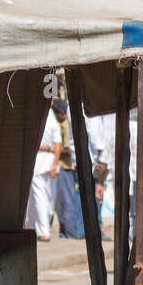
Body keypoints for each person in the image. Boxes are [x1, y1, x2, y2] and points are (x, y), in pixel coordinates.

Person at [50, 99, 84, 239]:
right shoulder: (62, 124)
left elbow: (68, 150)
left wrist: (52, 149)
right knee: (61, 203)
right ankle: (65, 233)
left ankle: (70, 233)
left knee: (67, 203)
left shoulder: (64, 126)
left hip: (65, 167)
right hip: (64, 167)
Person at [28, 107, 62, 240]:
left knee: (39, 197)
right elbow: (58, 144)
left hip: (39, 162)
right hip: (50, 161)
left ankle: (43, 230)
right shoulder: (53, 122)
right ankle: (33, 228)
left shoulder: (37, 121)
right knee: (47, 198)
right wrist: (54, 164)